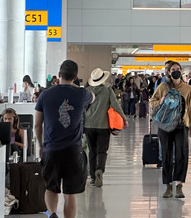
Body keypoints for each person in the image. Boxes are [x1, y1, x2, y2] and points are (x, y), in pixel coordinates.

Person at [35, 60, 95, 218]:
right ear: (75, 77)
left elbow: (36, 126)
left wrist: (41, 145)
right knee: (70, 193)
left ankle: (53, 214)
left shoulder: (45, 94)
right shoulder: (82, 94)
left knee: (50, 187)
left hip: (51, 149)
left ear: (59, 74)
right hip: (73, 151)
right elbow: (93, 97)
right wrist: (76, 87)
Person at [149, 61, 191, 199]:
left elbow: (190, 109)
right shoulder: (163, 87)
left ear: (181, 71)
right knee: (167, 155)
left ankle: (179, 185)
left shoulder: (187, 88)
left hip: (181, 126)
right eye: (173, 69)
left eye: (178, 69)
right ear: (168, 72)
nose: (176, 71)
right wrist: (160, 101)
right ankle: (168, 185)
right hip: (165, 126)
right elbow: (152, 102)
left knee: (182, 154)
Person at [83, 68, 127, 188]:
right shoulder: (108, 91)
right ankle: (99, 170)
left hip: (89, 126)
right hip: (103, 125)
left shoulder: (87, 91)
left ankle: (92, 177)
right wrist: (124, 119)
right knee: (102, 151)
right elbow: (116, 106)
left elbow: (82, 109)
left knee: (92, 151)